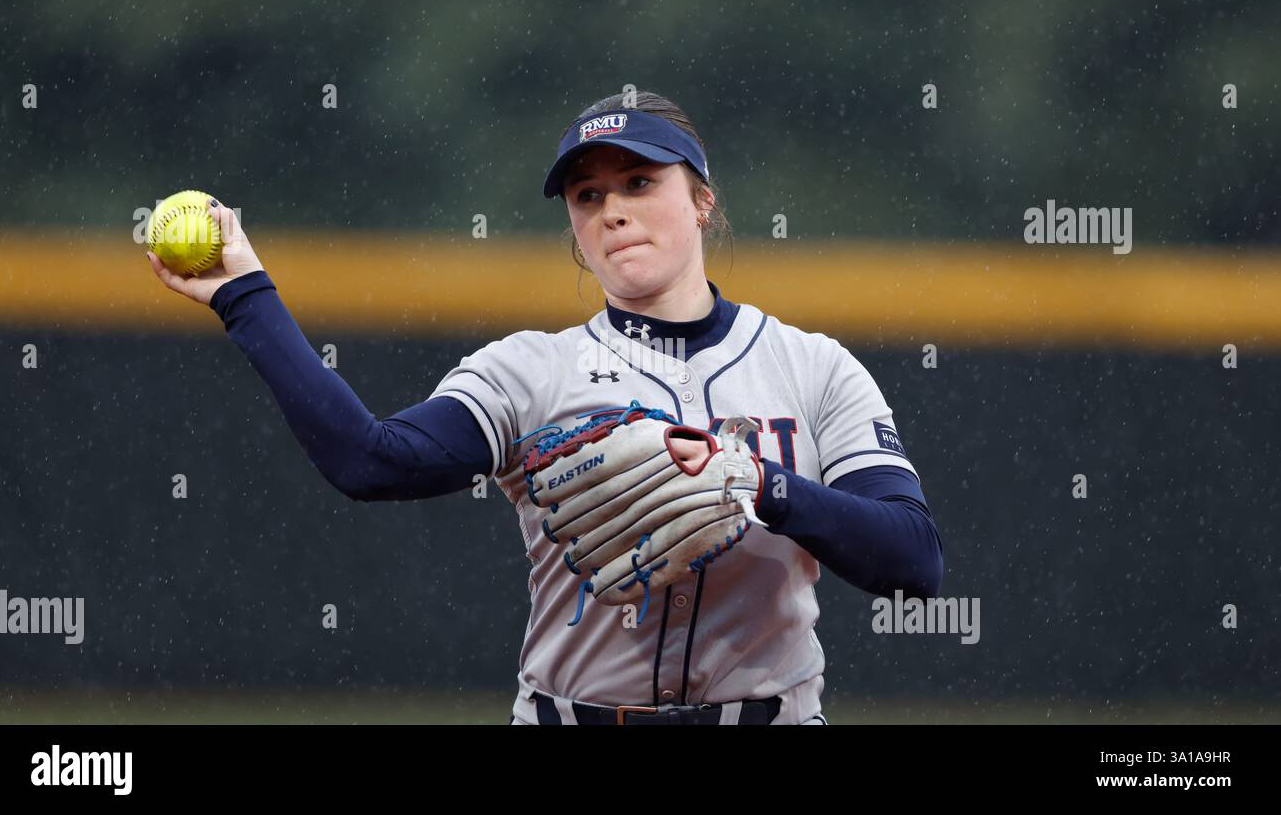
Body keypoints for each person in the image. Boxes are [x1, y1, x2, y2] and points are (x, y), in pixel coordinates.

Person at [146, 91, 944, 726]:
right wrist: (243, 294)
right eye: (587, 193)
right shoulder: (532, 372)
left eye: (640, 182)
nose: (613, 210)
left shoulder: (811, 367)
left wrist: (758, 484)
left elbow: (913, 562)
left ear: (702, 200)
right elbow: (369, 460)